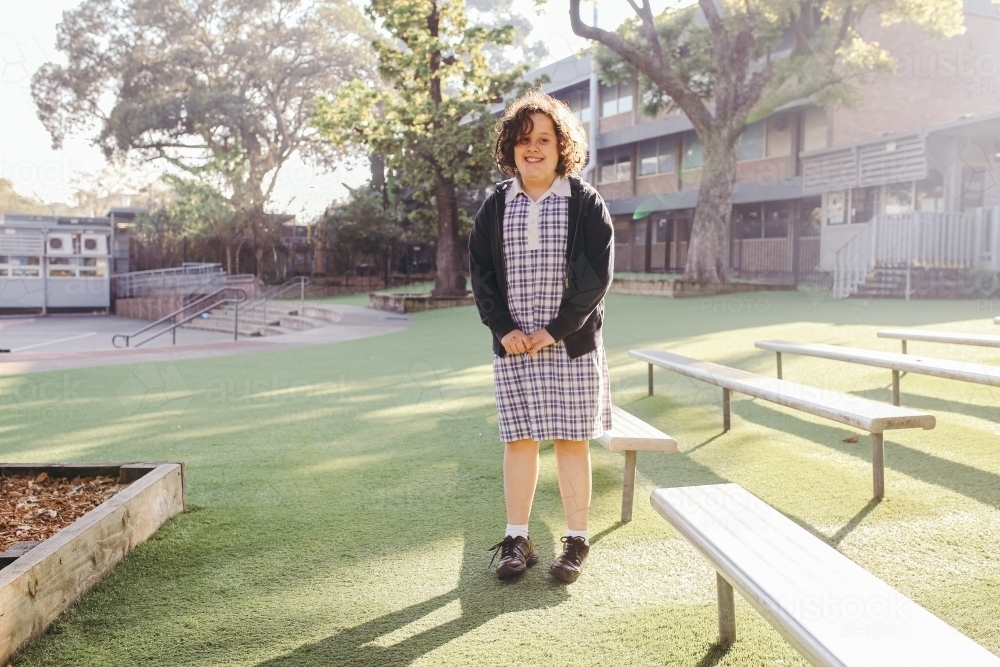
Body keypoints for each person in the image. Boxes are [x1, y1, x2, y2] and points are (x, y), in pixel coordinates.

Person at [468, 89, 614, 583]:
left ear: (561, 147)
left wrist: (552, 331)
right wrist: (505, 329)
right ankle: (517, 539)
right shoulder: (495, 205)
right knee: (520, 440)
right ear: (511, 146)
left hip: (569, 345)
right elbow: (482, 275)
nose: (534, 147)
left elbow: (597, 278)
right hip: (514, 347)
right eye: (524, 138)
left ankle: (575, 542)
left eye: (545, 139)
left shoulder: (584, 201)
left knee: (572, 441)